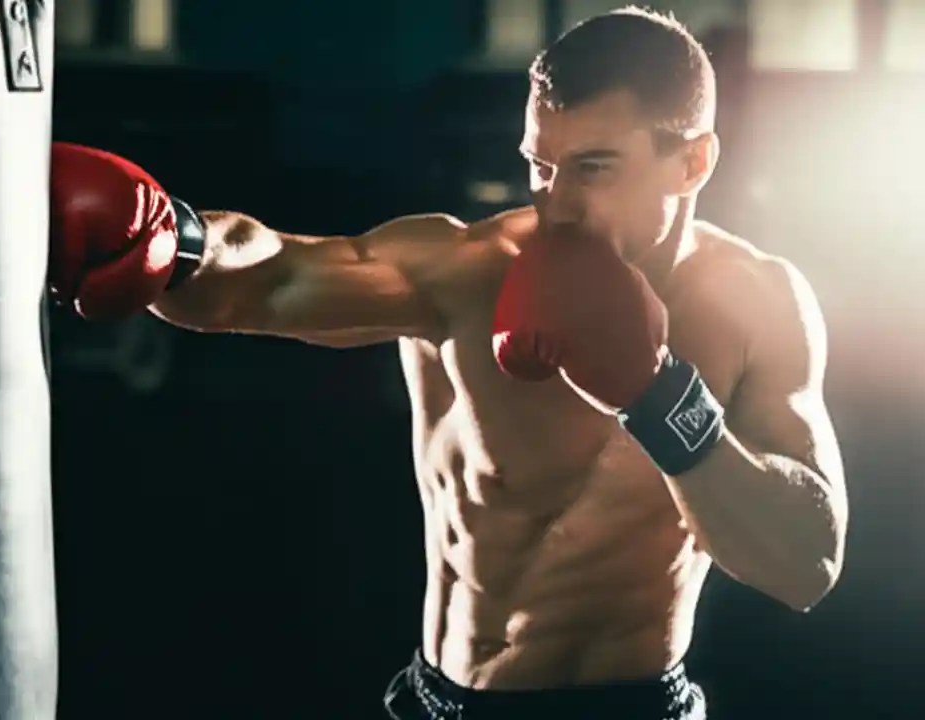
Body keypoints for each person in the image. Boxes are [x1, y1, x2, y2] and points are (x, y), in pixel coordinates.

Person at [47, 7, 848, 719]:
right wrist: (174, 238)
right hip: (450, 703)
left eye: (594, 168)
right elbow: (270, 277)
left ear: (693, 162)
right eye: (542, 165)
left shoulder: (759, 306)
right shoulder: (472, 272)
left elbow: (807, 563)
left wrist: (659, 395)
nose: (555, 202)